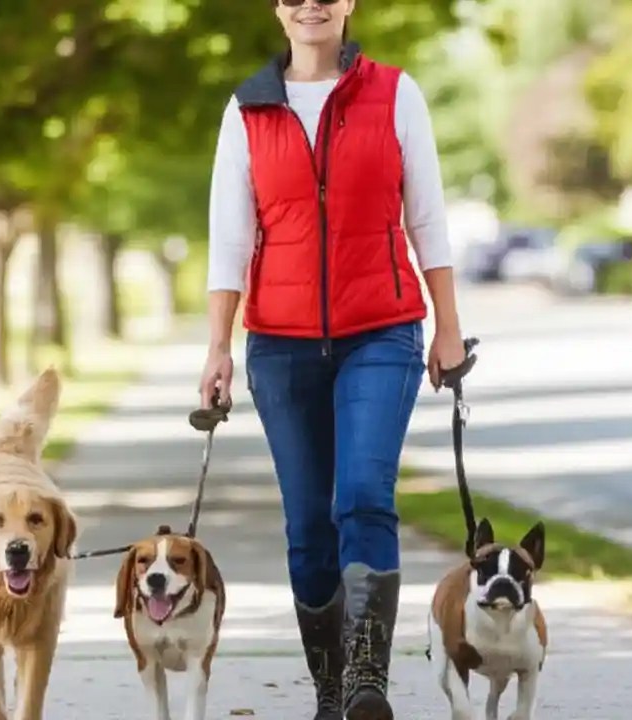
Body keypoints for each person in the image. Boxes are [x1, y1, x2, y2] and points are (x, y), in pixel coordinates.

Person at [198, 0, 467, 717]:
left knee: (364, 499)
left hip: (383, 330)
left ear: (348, 4)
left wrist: (448, 326)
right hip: (281, 346)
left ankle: (366, 681)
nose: (311, 4)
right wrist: (218, 345)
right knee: (308, 527)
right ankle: (329, 687)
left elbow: (427, 216)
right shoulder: (248, 109)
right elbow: (229, 237)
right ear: (278, 8)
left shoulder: (394, 93)